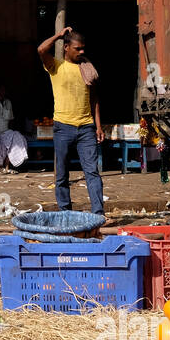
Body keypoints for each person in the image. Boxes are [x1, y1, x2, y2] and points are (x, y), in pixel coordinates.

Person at [39, 27, 104, 215]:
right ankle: (65, 211)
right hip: (63, 127)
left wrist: (98, 126)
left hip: (86, 128)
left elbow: (94, 99)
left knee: (92, 171)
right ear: (66, 47)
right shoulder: (55, 66)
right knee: (61, 174)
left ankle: (98, 213)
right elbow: (41, 50)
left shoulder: (87, 69)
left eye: (83, 48)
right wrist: (58, 35)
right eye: (78, 48)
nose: (82, 52)